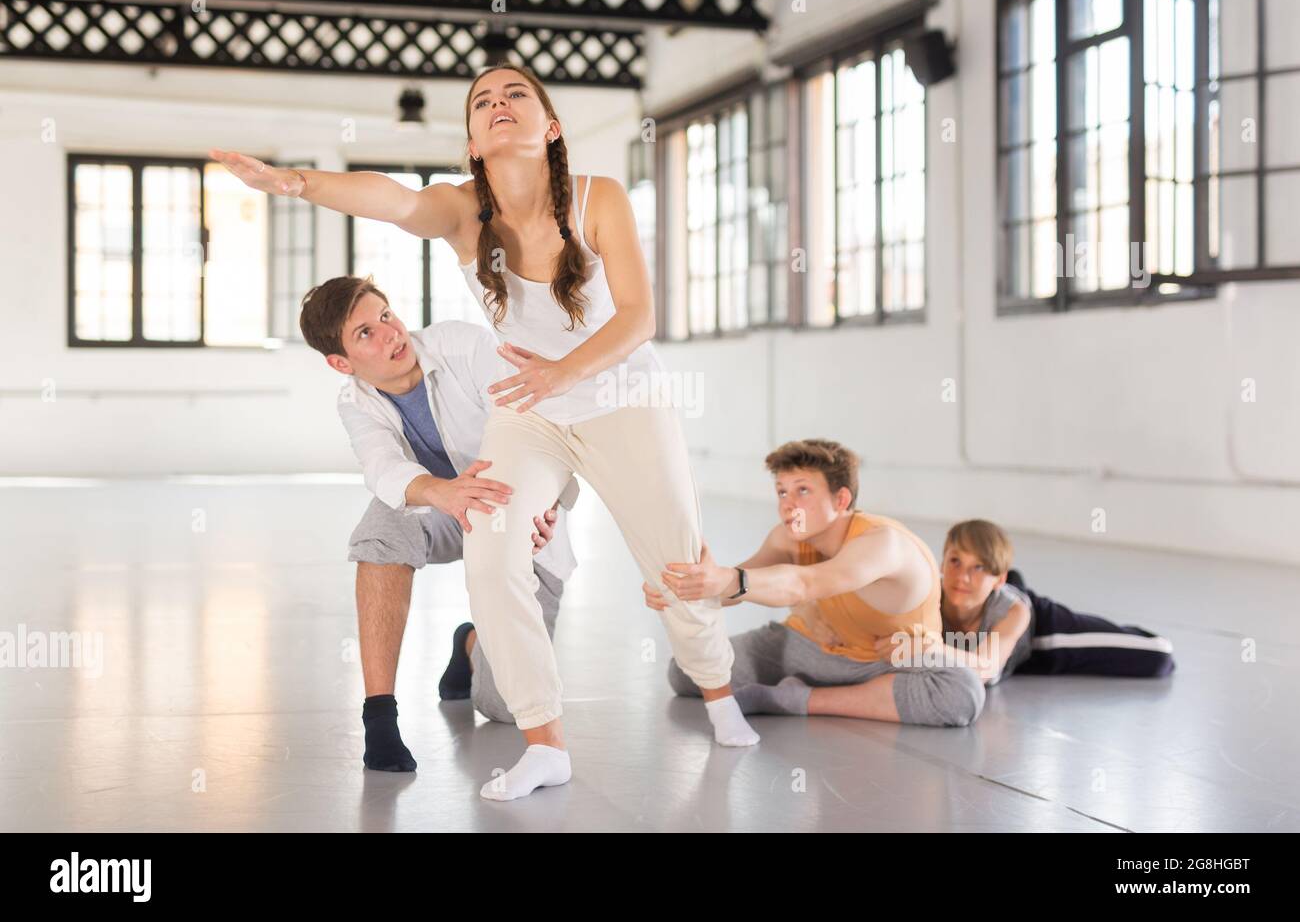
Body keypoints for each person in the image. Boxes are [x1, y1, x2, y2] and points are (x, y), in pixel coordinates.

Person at [211, 61, 755, 803]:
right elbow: (393, 200)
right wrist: (298, 184)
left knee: (675, 565)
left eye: (516, 95)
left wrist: (563, 375)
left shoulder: (600, 199)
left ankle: (718, 690)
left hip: (622, 399)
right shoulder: (463, 212)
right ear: (472, 139)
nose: (499, 105)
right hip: (530, 412)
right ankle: (545, 743)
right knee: (490, 551)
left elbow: (639, 318)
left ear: (550, 126)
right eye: (483, 101)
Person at [295, 274, 581, 772]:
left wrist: (543, 505)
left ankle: (470, 643)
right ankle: (379, 716)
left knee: (503, 707)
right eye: (365, 333)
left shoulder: (459, 345)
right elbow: (381, 467)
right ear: (341, 364)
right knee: (381, 530)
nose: (390, 334)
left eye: (385, 316)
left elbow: (533, 423)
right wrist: (440, 491)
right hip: (444, 511)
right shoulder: (356, 402)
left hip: (519, 514)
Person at [647, 439, 988, 727]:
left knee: (962, 694)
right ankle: (813, 690)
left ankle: (794, 698)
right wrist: (680, 589)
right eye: (781, 491)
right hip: (809, 647)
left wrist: (726, 580)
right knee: (685, 671)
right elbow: (731, 586)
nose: (787, 504)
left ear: (841, 500)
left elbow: (805, 584)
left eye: (803, 491)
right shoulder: (788, 537)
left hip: (884, 664)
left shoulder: (883, 544)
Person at [937, 519, 1176, 680]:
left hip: (1032, 635)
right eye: (955, 561)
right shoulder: (927, 598)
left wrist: (926, 649)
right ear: (941, 563)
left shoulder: (1013, 612)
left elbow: (984, 667)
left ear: (998, 579)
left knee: (1157, 657)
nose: (962, 577)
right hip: (994, 606)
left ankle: (1012, 583)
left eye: (978, 567)